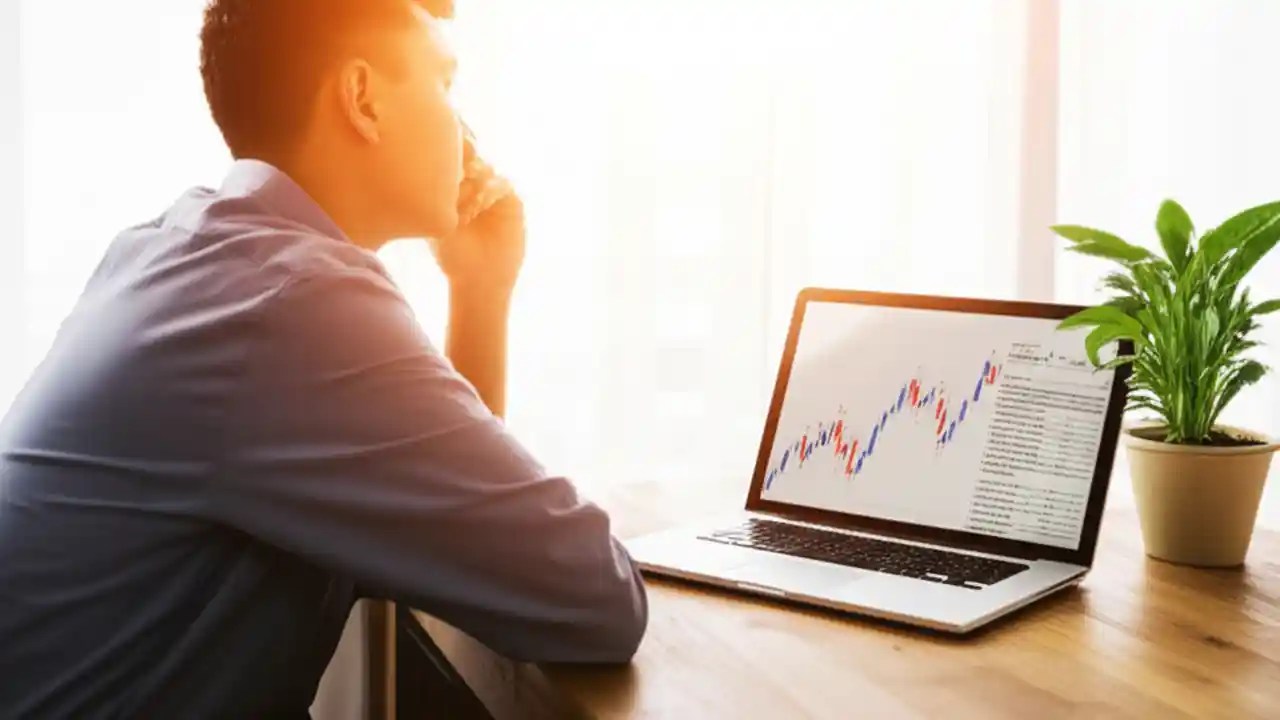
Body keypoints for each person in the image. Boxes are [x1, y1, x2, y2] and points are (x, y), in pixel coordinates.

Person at [0, 0, 647, 716]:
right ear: (363, 99)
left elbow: (459, 531)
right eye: (444, 83)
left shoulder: (179, 248)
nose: (465, 131)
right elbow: (594, 597)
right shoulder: (292, 302)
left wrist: (478, 291)